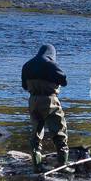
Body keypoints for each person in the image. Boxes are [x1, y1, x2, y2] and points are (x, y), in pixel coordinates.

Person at [21, 44, 68, 174]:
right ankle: (63, 165)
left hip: (33, 101)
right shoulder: (51, 65)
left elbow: (24, 86)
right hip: (50, 101)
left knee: (36, 133)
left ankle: (37, 166)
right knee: (59, 131)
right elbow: (64, 81)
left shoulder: (27, 65)